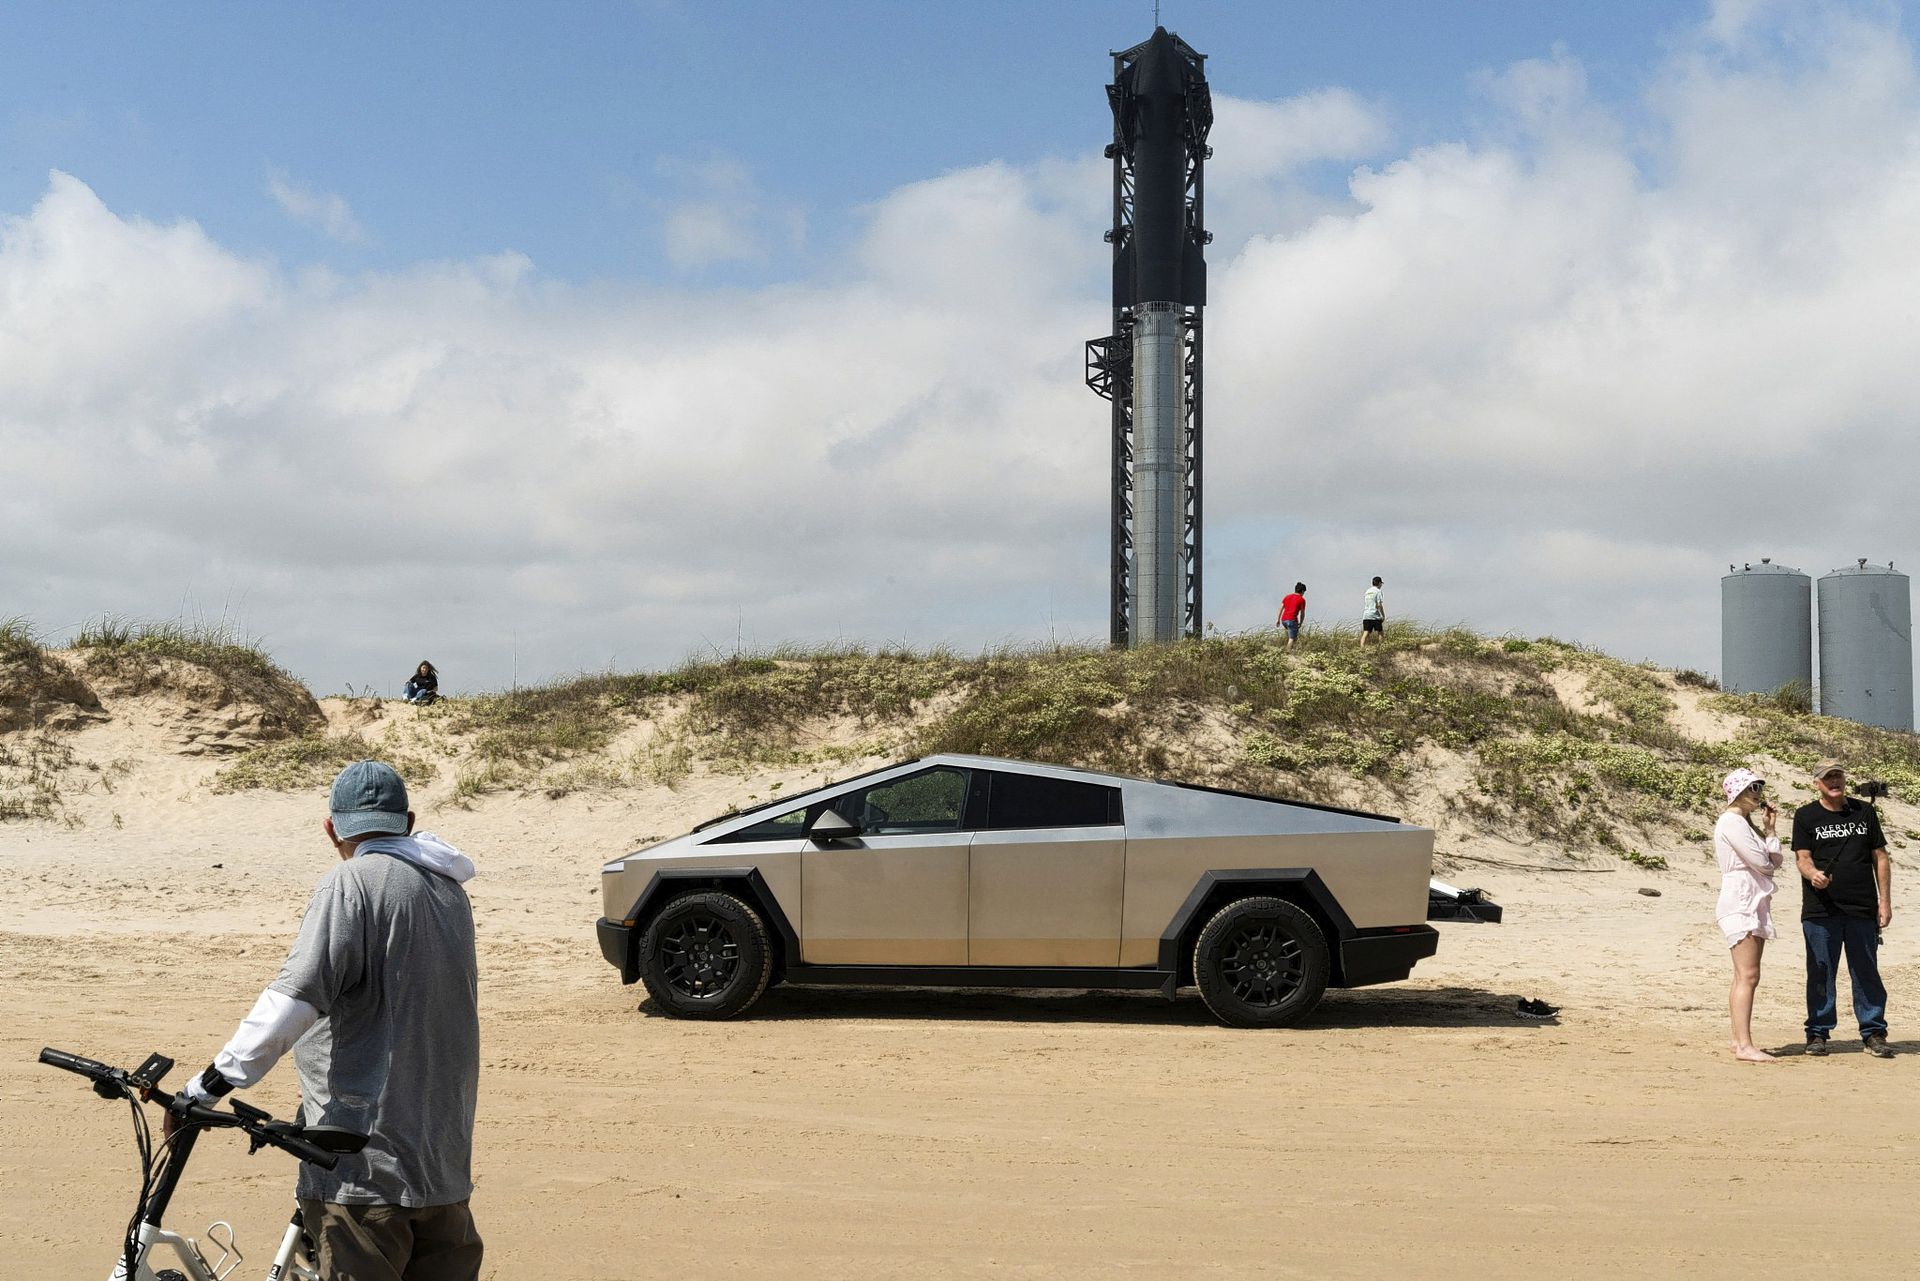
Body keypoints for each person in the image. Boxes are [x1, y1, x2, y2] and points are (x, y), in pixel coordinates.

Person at [171, 760, 484, 1278]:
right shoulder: (449, 891)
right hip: (443, 1170)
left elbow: (293, 1000)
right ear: (407, 822)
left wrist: (207, 1086)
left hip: (366, 1171)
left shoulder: (350, 884)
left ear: (331, 827)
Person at [1793, 759, 1895, 1058]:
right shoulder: (1805, 815)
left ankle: (1873, 1031)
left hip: (1862, 907)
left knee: (1865, 971)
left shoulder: (1864, 811)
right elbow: (1802, 857)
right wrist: (1813, 875)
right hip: (1820, 910)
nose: (1834, 781)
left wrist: (1884, 902)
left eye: (1838, 776)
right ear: (1817, 783)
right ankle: (1818, 1033)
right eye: (1828, 777)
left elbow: (1880, 857)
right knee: (1821, 971)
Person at [1714, 768, 1783, 1063]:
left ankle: (1738, 1040)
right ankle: (1744, 1044)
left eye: (1760, 786)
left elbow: (1774, 861)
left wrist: (1769, 831)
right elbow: (1764, 863)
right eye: (1753, 787)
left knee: (1746, 975)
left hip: (1752, 899)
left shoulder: (1744, 823)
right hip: (1741, 899)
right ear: (1739, 791)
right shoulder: (1732, 822)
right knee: (1748, 974)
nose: (1758, 793)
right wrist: (1766, 855)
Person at [1276, 582, 1307, 649]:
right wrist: (1301, 623)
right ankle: (1287, 652)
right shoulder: (1302, 600)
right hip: (1292, 620)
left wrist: (1278, 620)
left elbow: (1280, 608)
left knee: (1292, 635)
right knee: (1292, 638)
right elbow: (1302, 613)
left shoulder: (1287, 597)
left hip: (1284, 620)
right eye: (1303, 592)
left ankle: (1290, 648)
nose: (1303, 594)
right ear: (1302, 591)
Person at [1360, 576, 1385, 646]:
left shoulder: (1367, 591)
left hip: (1366, 615)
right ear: (1379, 583)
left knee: (1365, 633)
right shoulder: (1378, 591)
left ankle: (1362, 648)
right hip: (1375, 615)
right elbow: (1379, 605)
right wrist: (1382, 615)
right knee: (1380, 632)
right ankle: (1381, 647)